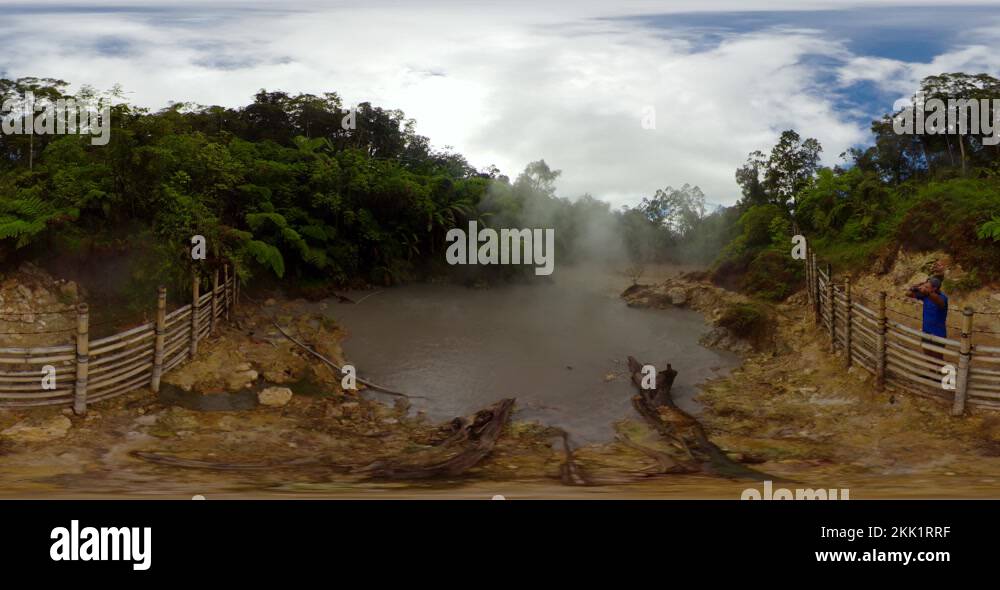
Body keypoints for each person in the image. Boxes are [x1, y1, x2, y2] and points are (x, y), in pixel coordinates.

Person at [906, 277, 948, 360]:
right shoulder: (925, 296)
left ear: (934, 288)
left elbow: (939, 302)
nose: (925, 289)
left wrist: (927, 293)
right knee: (928, 359)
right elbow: (908, 294)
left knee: (938, 360)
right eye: (925, 287)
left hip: (938, 334)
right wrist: (916, 287)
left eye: (927, 287)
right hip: (926, 332)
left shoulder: (943, 297)